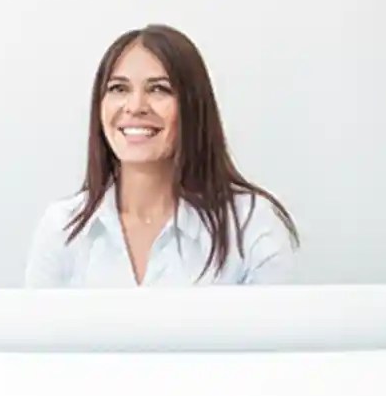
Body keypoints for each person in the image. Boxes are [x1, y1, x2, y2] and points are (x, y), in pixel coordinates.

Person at [24, 24, 299, 288]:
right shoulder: (62, 228)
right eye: (119, 88)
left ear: (193, 106)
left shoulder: (251, 224)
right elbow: (36, 333)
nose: (135, 107)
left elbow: (276, 335)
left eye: (159, 89)